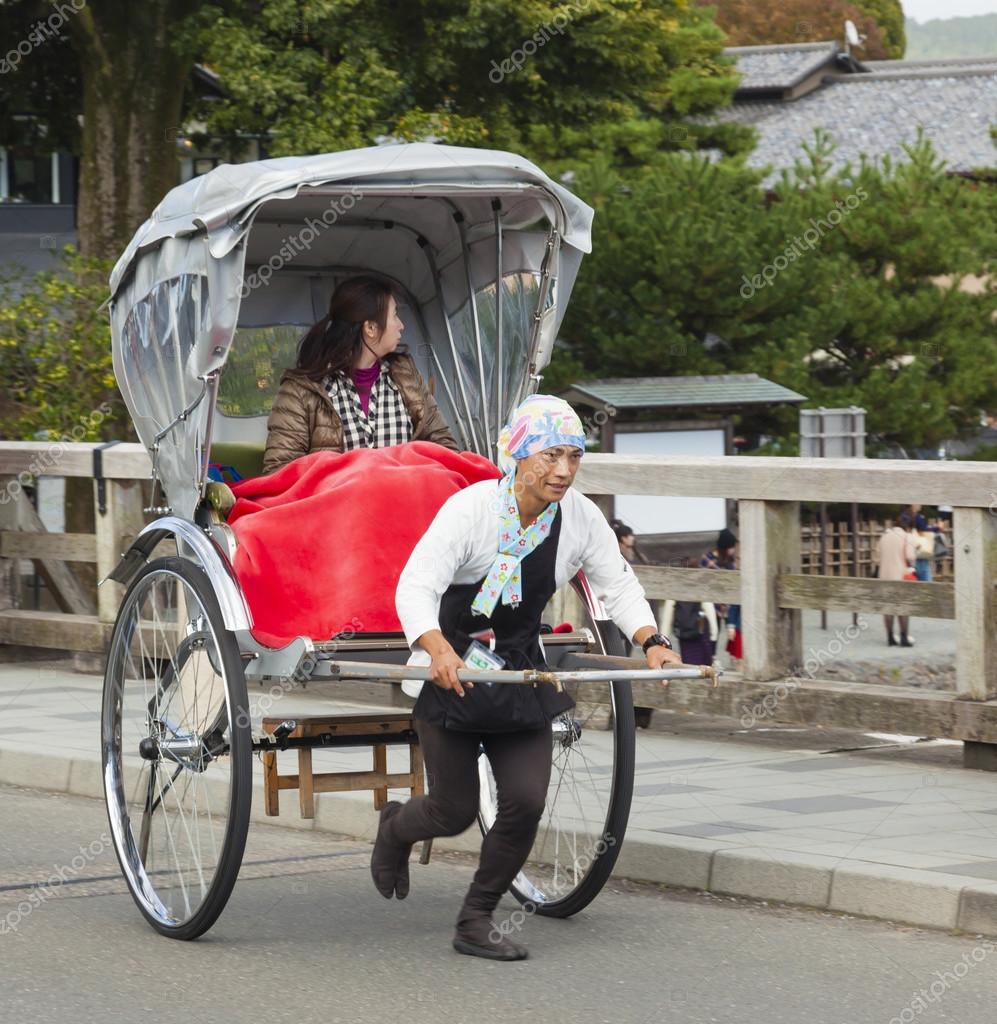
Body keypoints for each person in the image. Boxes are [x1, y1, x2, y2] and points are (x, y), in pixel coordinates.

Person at [374, 395, 682, 962]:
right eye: (549, 456)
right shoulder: (470, 511)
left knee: (525, 801)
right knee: (455, 809)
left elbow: (617, 584)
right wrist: (437, 648)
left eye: (572, 456)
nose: (563, 470)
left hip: (522, 675)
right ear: (517, 456)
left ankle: (476, 918)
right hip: (454, 675)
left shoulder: (580, 518)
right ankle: (395, 828)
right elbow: (415, 585)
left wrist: (653, 642)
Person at [262, 275, 457, 473]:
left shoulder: (407, 377)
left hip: (408, 499)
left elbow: (446, 449)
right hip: (336, 503)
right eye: (395, 315)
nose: (401, 325)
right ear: (371, 328)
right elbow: (279, 473)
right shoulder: (300, 390)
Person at [877, 511, 917, 647]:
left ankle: (890, 637)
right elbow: (910, 557)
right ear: (909, 526)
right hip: (901, 576)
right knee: (903, 607)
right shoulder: (908, 536)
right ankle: (904, 637)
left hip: (884, 576)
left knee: (888, 608)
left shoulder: (884, 536)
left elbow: (877, 558)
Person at [701, 528, 740, 663]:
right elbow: (702, 580)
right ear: (724, 547)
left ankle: (735, 658)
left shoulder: (730, 562)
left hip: (728, 603)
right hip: (711, 603)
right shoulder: (708, 559)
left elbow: (733, 583)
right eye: (731, 547)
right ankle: (711, 658)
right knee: (713, 632)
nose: (733, 550)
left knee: (733, 632)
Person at [660, 598, 718, 666]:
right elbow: (710, 612)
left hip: (684, 635)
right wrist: (714, 637)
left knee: (688, 665)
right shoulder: (700, 589)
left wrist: (663, 642)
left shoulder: (674, 591)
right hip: (701, 635)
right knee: (705, 667)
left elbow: (666, 620)